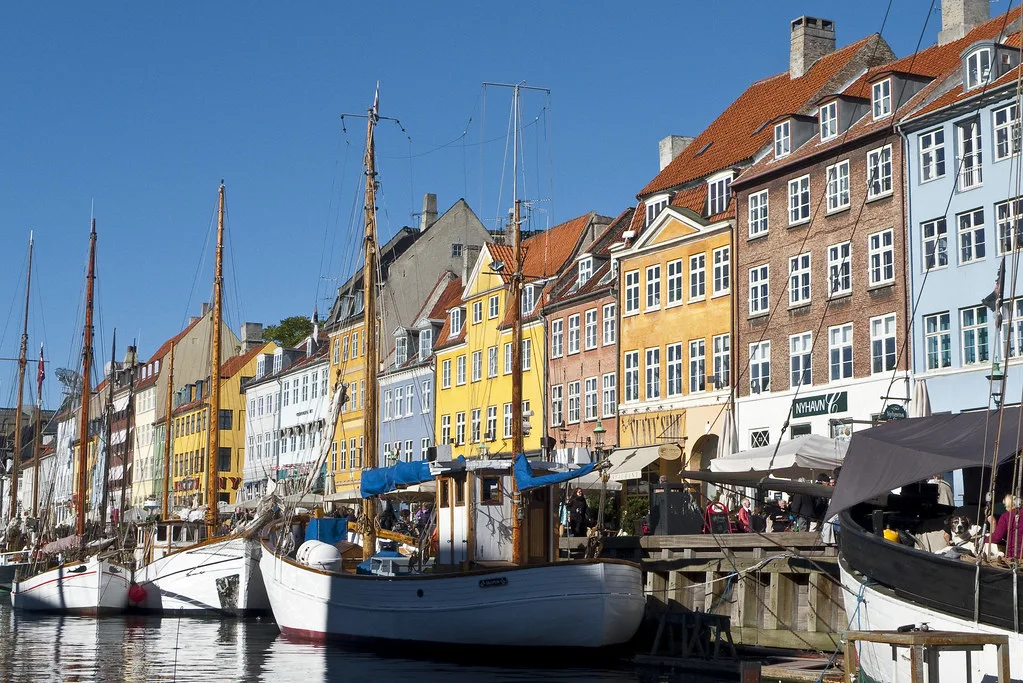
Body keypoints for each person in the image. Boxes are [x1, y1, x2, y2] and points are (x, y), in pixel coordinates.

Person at [988, 493, 1023, 558]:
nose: (1005, 508)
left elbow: (997, 537)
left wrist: (983, 539)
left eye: (1005, 505)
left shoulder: (1006, 516)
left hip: (1014, 556)